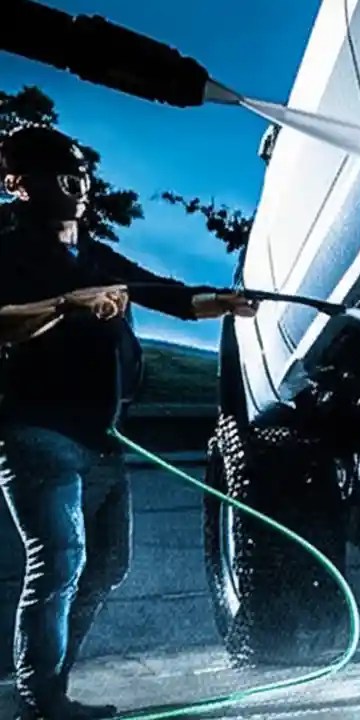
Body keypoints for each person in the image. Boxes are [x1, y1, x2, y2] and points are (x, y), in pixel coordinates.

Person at [0, 125, 257, 720]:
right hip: (39, 433)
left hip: (103, 437)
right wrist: (66, 305)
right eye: (61, 174)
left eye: (81, 172)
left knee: (107, 566)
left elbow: (167, 294)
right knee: (58, 560)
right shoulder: (10, 250)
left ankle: (51, 688)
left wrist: (223, 300)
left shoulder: (93, 253)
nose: (79, 183)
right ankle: (41, 702)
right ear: (19, 185)